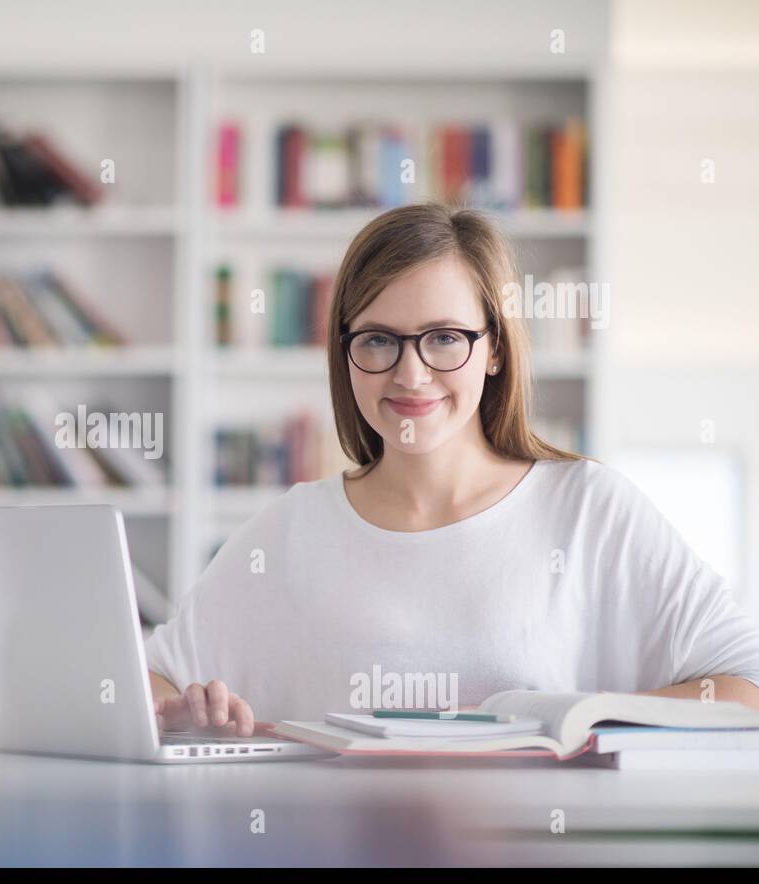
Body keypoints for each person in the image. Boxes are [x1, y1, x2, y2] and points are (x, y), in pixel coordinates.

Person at [147, 203, 759, 736]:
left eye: (443, 338)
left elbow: (747, 683)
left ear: (494, 347)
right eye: (379, 339)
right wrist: (175, 712)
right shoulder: (286, 532)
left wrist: (586, 713)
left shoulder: (588, 510)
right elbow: (141, 684)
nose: (410, 374)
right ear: (346, 352)